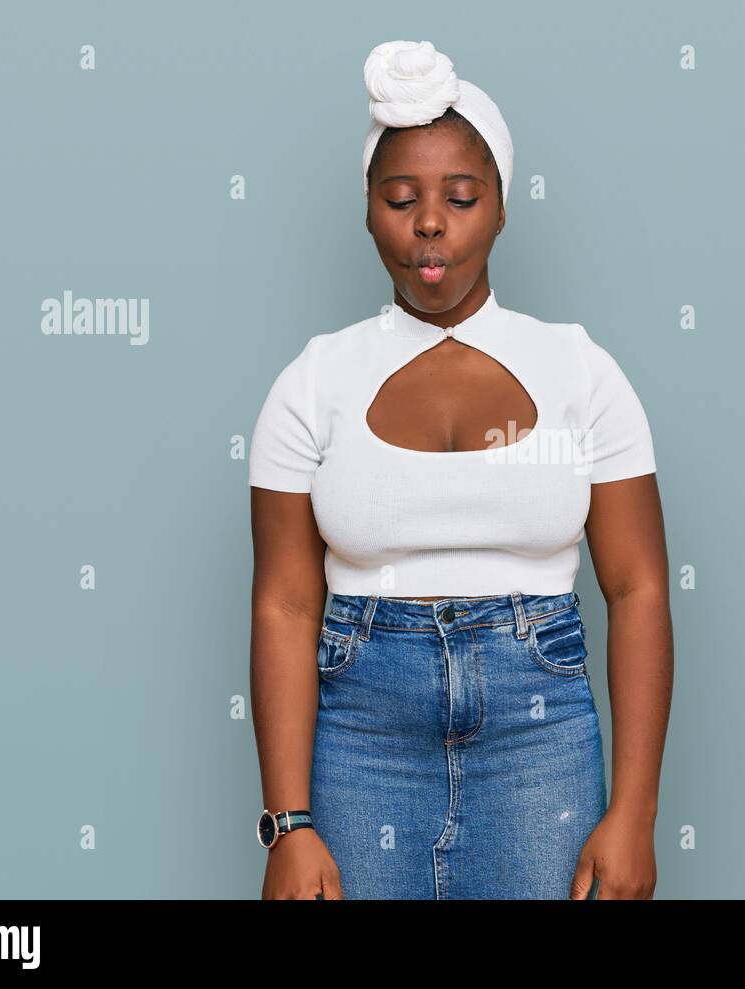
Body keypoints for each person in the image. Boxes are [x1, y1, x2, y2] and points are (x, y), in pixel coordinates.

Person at [247, 39, 672, 900]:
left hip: (539, 736)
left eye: (461, 197)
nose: (430, 222)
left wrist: (634, 814)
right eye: (401, 199)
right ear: (369, 210)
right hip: (362, 737)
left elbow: (639, 590)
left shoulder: (582, 372)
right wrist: (287, 827)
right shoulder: (312, 382)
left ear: (503, 209)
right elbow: (286, 604)